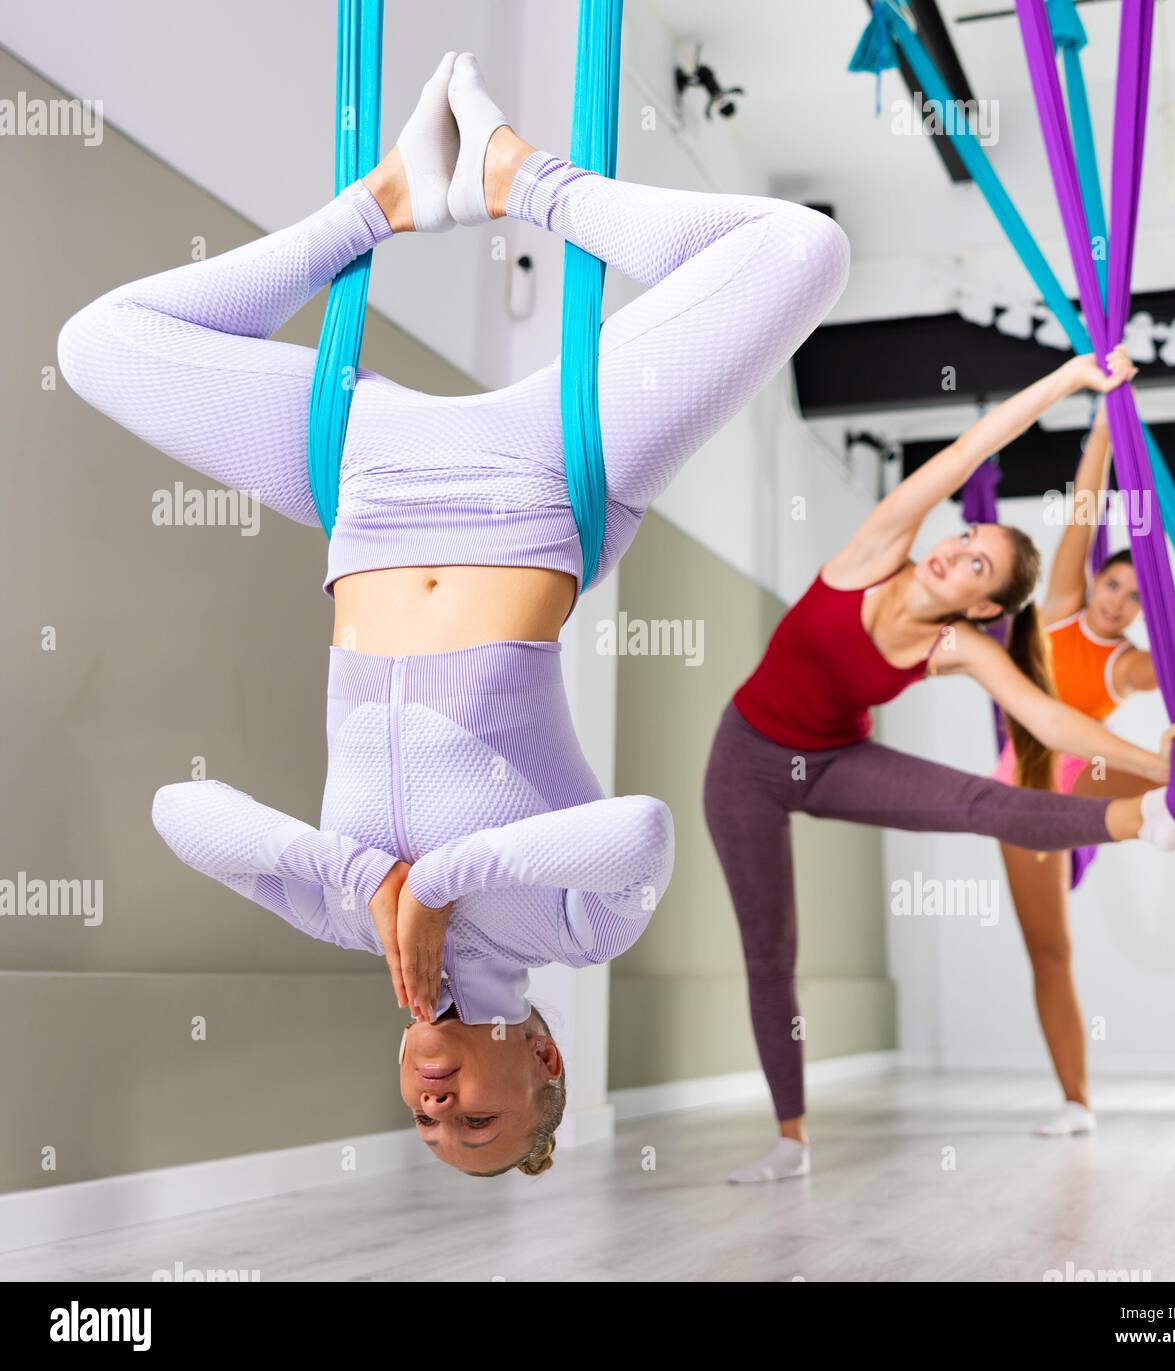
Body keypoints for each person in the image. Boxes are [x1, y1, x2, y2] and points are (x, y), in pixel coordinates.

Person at [56, 52, 852, 1176]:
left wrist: (371, 884)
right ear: (545, 1064)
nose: (439, 1106)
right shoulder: (573, 930)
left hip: (361, 484)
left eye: (428, 1125)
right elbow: (639, 833)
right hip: (539, 480)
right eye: (477, 1118)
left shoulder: (348, 916)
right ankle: (525, 180)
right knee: (800, 253)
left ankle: (379, 204)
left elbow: (179, 810)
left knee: (97, 345)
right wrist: (431, 884)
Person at [704, 352, 1175, 1184]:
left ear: (983, 607)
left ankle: (1151, 818)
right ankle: (791, 1139)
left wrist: (1159, 763)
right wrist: (1073, 379)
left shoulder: (955, 645)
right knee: (770, 949)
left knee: (982, 799)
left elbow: (1046, 719)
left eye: (976, 566)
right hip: (742, 761)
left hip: (837, 759)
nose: (953, 555)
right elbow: (972, 448)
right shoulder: (877, 548)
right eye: (963, 539)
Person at [994, 409, 1175, 1138]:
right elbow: (1085, 508)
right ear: (1097, 581)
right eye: (1116, 584)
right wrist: (1103, 425)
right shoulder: (1062, 607)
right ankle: (1074, 1102)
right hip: (1015, 794)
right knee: (1049, 950)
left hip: (1081, 775)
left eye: (1132, 596)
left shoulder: (1123, 662)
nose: (1120, 600)